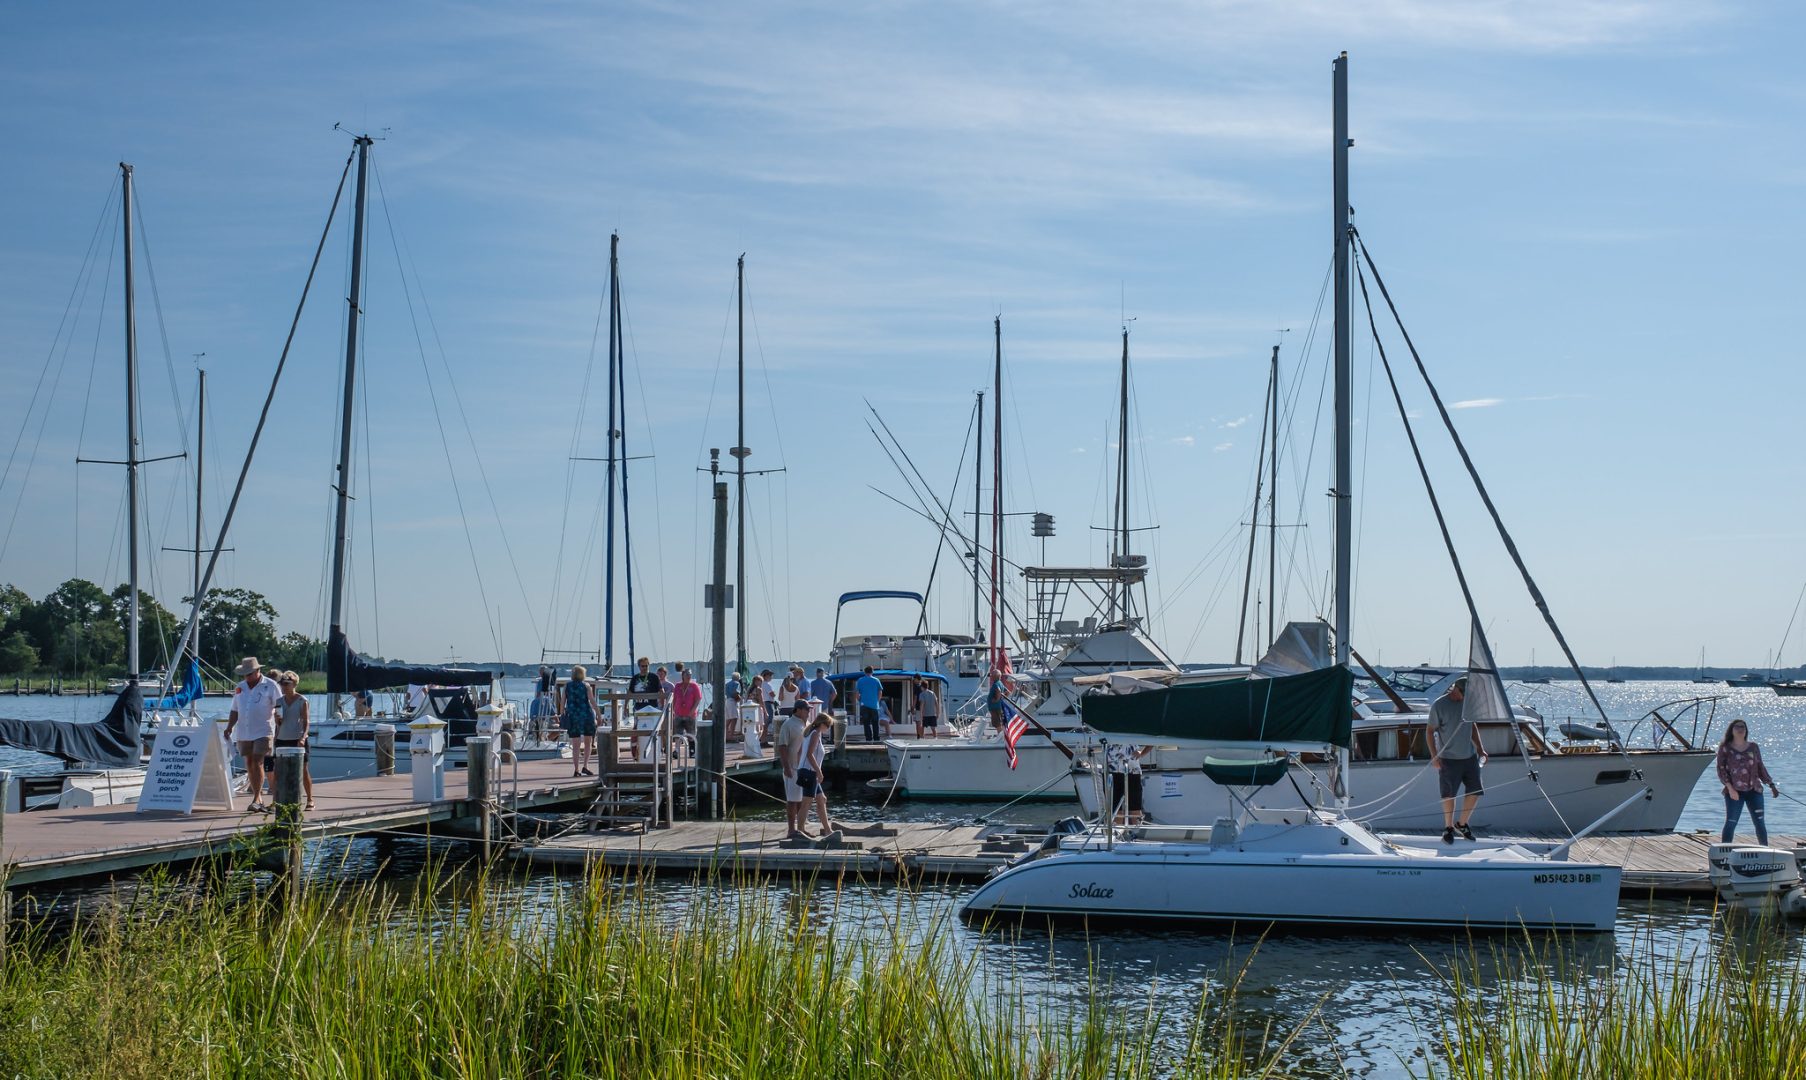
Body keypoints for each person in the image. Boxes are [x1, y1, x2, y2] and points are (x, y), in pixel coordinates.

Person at [1426, 675, 1484, 844]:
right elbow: (1429, 731)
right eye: (1463, 694)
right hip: (1448, 758)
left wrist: (1480, 749)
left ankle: (1462, 824)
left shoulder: (1468, 704)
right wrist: (1434, 756)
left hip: (1469, 756)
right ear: (1456, 689)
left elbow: (1472, 726)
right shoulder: (1439, 705)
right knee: (1448, 794)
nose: (1464, 698)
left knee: (1475, 791)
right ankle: (1448, 827)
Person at [224, 657, 280, 813]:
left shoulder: (270, 685)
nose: (246, 676)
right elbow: (235, 709)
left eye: (249, 673)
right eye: (244, 674)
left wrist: (280, 723)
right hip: (244, 730)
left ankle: (256, 797)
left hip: (263, 730)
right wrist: (229, 727)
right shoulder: (240, 687)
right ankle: (258, 798)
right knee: (249, 762)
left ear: (257, 671)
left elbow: (279, 705)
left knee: (257, 761)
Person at [1718, 718, 1780, 844]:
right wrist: (1730, 788)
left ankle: (1764, 849)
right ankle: (1724, 851)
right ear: (1731, 730)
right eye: (1737, 727)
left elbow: (1760, 767)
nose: (1740, 729)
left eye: (1743, 727)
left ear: (1746, 730)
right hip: (1734, 792)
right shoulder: (1725, 748)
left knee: (1760, 823)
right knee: (1731, 822)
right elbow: (1721, 770)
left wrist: (1771, 785)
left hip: (1754, 790)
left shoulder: (1753, 747)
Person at [272, 670, 314, 811]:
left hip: (297, 738)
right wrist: (277, 719)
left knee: (303, 770)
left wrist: (303, 737)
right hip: (282, 738)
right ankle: (276, 801)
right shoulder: (279, 701)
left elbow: (306, 721)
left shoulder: (302, 701)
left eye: (286, 684)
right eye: (282, 684)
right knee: (278, 771)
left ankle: (310, 799)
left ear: (294, 684)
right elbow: (278, 722)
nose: (283, 687)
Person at [775, 697, 810, 839]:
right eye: (807, 709)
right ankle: (791, 829)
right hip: (793, 767)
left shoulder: (807, 723)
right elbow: (782, 747)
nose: (808, 712)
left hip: (804, 768)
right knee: (792, 800)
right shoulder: (788, 724)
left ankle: (801, 828)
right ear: (799, 710)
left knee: (803, 799)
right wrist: (786, 767)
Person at [799, 709, 836, 839]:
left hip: (809, 772)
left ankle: (828, 830)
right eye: (828, 725)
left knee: (822, 799)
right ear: (822, 724)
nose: (828, 728)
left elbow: (801, 753)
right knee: (806, 802)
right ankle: (800, 831)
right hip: (809, 772)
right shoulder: (815, 734)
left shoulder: (813, 733)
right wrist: (819, 772)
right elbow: (809, 755)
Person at [561, 664, 599, 777]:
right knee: (588, 743)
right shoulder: (586, 686)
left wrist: (562, 714)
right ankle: (585, 766)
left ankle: (576, 769)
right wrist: (598, 714)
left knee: (576, 745)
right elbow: (592, 701)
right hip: (586, 715)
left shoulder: (567, 686)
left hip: (573, 716)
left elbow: (562, 702)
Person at [1106, 741, 1148, 825]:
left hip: (1132, 771)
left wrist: (1142, 753)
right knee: (1116, 809)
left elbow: (1153, 740)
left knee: (1135, 808)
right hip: (1112, 771)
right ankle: (1117, 831)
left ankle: (1137, 831)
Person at [671, 665, 703, 739]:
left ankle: (691, 746)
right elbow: (674, 699)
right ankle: (677, 746)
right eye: (687, 674)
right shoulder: (678, 686)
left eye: (690, 674)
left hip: (690, 715)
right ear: (683, 675)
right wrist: (673, 710)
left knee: (691, 736)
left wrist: (692, 710)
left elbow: (698, 699)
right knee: (678, 735)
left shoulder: (694, 686)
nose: (689, 676)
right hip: (679, 714)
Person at [855, 666, 883, 743]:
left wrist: (860, 700)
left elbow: (857, 694)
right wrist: (877, 701)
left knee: (866, 723)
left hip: (864, 705)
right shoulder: (876, 680)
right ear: (872, 671)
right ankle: (876, 739)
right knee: (875, 723)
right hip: (874, 706)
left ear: (864, 672)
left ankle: (868, 739)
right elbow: (880, 692)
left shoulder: (860, 680)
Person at [725, 670, 744, 739]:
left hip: (727, 701)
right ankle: (731, 736)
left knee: (729, 719)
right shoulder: (737, 683)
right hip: (733, 701)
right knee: (734, 718)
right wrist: (740, 698)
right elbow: (735, 693)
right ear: (738, 678)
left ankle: (726, 735)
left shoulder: (727, 684)